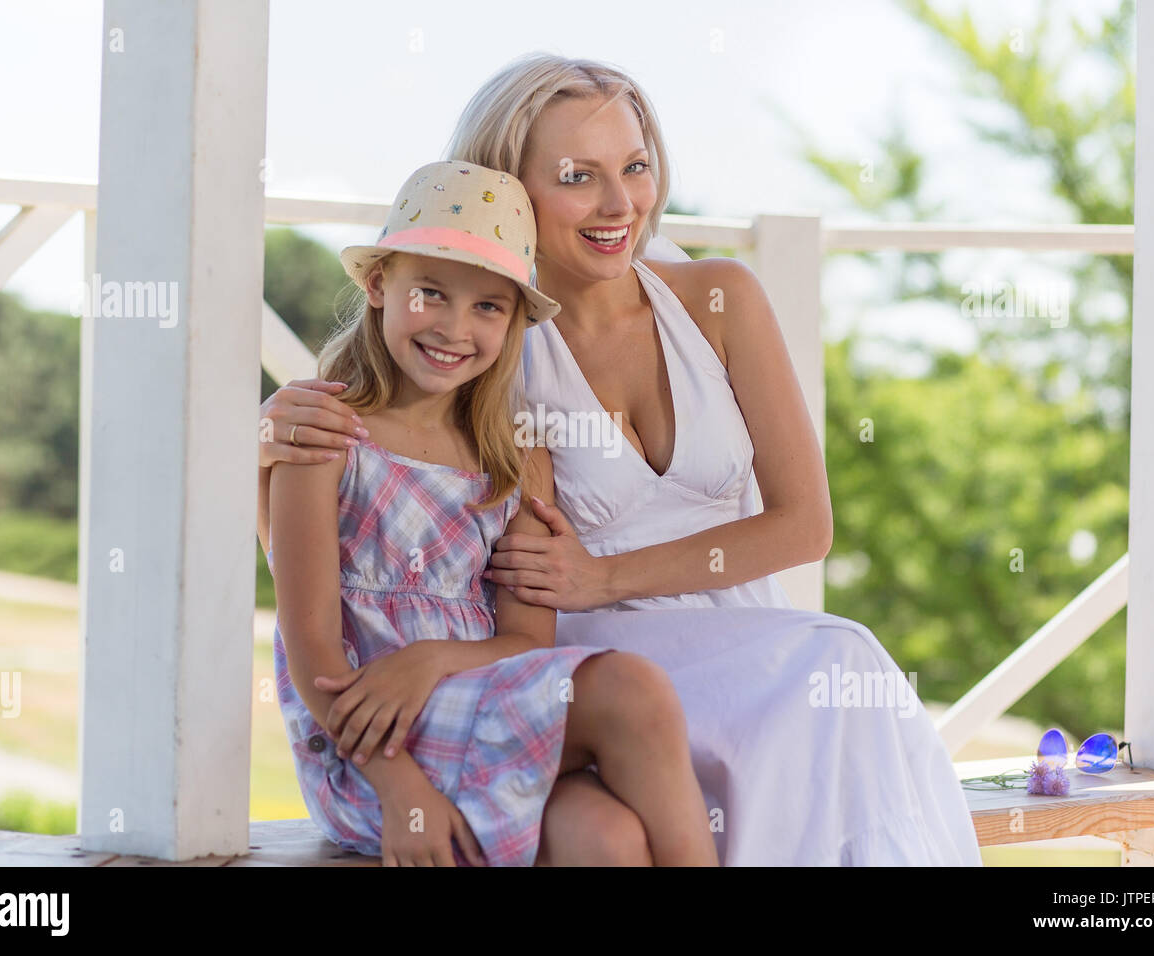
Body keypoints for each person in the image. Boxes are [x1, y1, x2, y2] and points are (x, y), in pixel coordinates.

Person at [259, 55, 982, 866]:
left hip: (749, 637)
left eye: (634, 167)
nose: (618, 205)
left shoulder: (719, 299)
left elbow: (806, 527)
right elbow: (381, 465)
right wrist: (271, 429)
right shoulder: (493, 347)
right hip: (584, 658)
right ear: (507, 191)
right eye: (578, 176)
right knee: (825, 664)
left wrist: (604, 574)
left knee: (842, 669)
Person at [265, 159, 717, 866]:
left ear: (512, 321)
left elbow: (526, 644)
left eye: (488, 307)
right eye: (432, 293)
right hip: (366, 747)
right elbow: (313, 657)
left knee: (607, 838)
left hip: (483, 715)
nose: (454, 327)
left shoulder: (515, 454)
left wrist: (427, 661)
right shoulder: (324, 435)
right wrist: (402, 793)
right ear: (381, 285)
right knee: (631, 688)